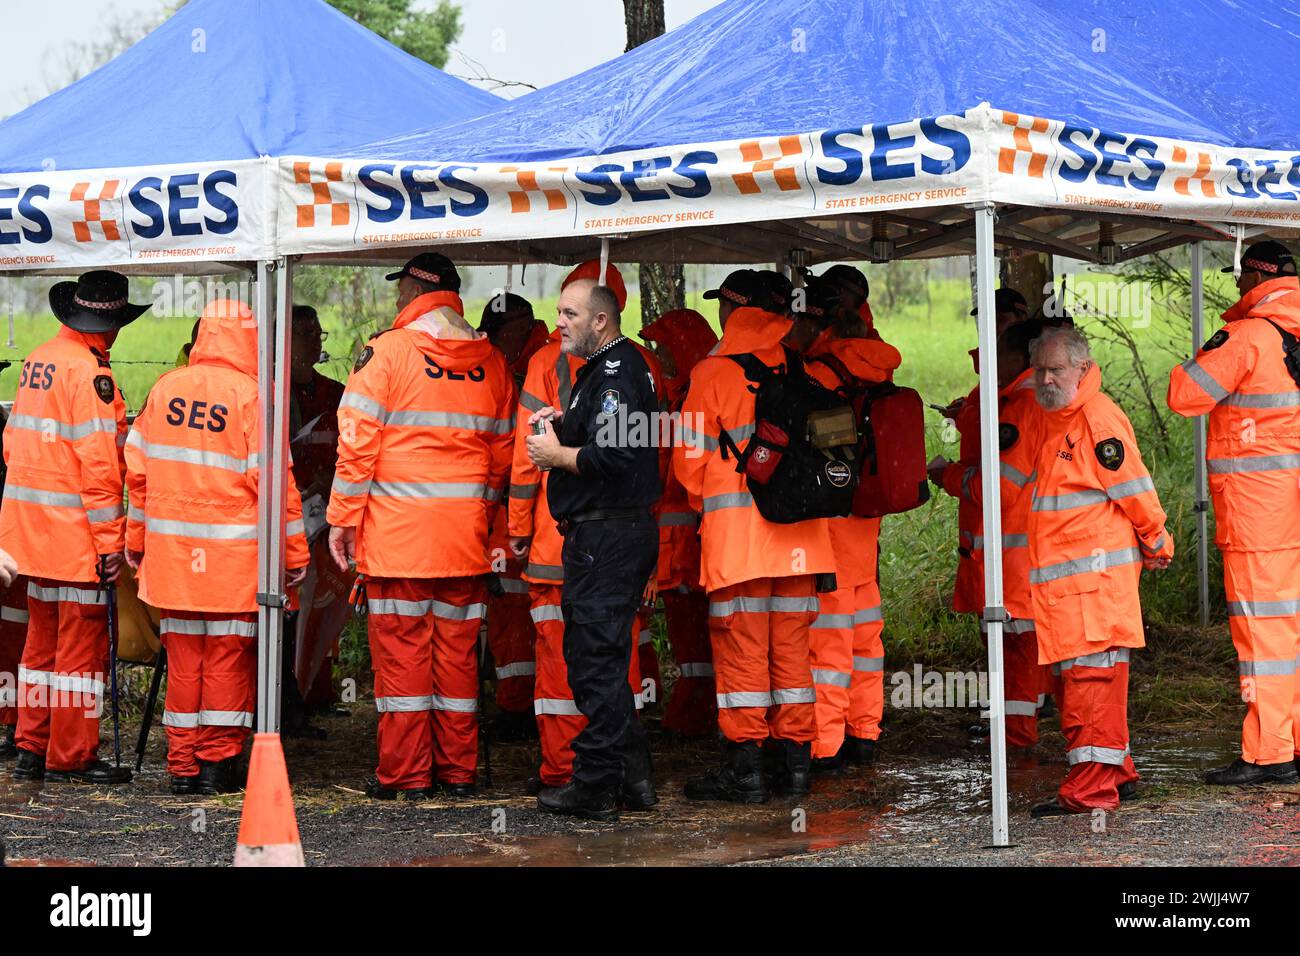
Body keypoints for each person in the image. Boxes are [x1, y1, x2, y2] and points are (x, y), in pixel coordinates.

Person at [327, 252, 514, 800]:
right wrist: (477, 513)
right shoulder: (494, 361)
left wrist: (342, 519)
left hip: (399, 543)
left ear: (411, 292)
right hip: (464, 543)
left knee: (405, 659)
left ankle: (406, 775)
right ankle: (457, 773)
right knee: (457, 661)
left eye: (398, 290)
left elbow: (356, 446)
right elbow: (503, 457)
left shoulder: (385, 353)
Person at [125, 299, 310, 794]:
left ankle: (181, 766)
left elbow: (137, 475)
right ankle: (216, 765)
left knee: (184, 660)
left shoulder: (166, 389)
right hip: (232, 565)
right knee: (228, 658)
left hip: (173, 562)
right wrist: (294, 558)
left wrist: (136, 542)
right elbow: (275, 488)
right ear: (253, 342)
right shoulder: (254, 396)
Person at [674, 269, 836, 802]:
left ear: (732, 309)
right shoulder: (803, 367)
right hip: (802, 542)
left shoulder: (712, 373)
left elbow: (689, 468)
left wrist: (718, 506)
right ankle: (795, 770)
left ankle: (745, 773)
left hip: (740, 545)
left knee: (743, 657)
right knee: (792, 657)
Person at [524, 278, 662, 821]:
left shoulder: (616, 372)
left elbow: (616, 455)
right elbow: (604, 434)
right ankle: (633, 777)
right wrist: (562, 424)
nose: (559, 322)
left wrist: (558, 456)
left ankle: (597, 784)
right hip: (608, 534)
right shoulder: (604, 370)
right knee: (597, 658)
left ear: (600, 321)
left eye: (570, 314)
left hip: (608, 537)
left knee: (594, 663)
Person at [1022, 325, 1173, 816]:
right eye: (1040, 369)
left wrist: (1156, 539)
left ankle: (1091, 792)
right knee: (1083, 685)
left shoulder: (1096, 419)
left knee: (1091, 687)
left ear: (1082, 370)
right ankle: (1118, 774)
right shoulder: (1057, 416)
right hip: (1073, 592)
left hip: (1093, 590)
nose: (1045, 378)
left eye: (1055, 370)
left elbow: (1135, 490)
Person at [0, 270, 141, 785]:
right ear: (113, 326)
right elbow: (101, 470)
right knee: (80, 653)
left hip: (28, 537)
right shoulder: (90, 375)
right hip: (75, 539)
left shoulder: (37, 359)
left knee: (40, 644)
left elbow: (14, 444)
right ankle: (70, 755)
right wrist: (110, 544)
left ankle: (31, 746)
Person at [1168, 240, 1300, 785]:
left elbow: (1185, 394)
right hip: (1289, 506)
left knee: (1263, 634)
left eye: (1239, 277)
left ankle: (1269, 755)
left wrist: (1200, 356)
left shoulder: (1248, 336)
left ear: (1252, 277)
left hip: (1258, 513)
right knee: (1290, 630)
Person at [928, 319, 1051, 748]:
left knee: (1013, 647)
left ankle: (1015, 737)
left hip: (1012, 559)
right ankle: (1017, 727)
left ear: (1021, 357)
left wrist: (946, 474)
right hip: (1028, 550)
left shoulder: (1020, 407)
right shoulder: (1036, 399)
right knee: (1024, 647)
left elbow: (994, 489)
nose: (992, 362)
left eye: (1000, 353)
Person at [804, 283, 902, 768]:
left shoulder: (820, 374)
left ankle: (826, 746)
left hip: (827, 534)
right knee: (866, 640)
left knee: (827, 646)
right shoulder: (878, 371)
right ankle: (865, 732)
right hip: (867, 526)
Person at [639, 308, 720, 738]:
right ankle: (694, 710)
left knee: (696, 638)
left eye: (664, 348)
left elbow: (678, 474)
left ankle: (696, 715)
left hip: (690, 545)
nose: (659, 357)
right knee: (689, 635)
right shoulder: (680, 394)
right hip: (677, 544)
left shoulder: (694, 397)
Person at [481, 292, 548, 740]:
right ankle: (520, 703)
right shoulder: (540, 365)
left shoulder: (530, 369)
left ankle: (520, 705)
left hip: (522, 510)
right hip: (518, 512)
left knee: (520, 609)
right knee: (514, 610)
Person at [285, 304, 346, 729]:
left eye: (317, 333)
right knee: (287, 612)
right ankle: (284, 699)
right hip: (285, 519)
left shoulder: (336, 394)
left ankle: (313, 691)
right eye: (303, 333)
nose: (312, 341)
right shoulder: (266, 393)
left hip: (328, 520)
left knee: (324, 608)